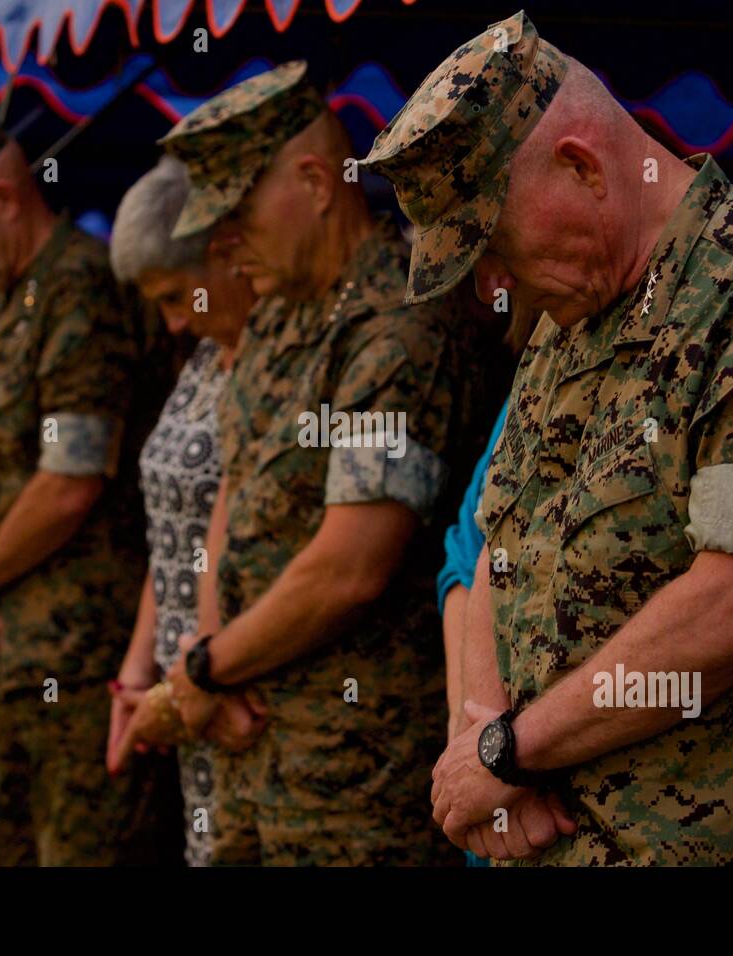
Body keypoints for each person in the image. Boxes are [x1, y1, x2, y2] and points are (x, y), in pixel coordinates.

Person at [361, 11, 733, 865]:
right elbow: (496, 544)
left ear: (581, 167)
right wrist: (484, 748)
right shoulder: (565, 323)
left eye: (494, 248)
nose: (494, 287)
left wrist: (513, 750)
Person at [157, 61, 503, 865]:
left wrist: (208, 672)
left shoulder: (400, 330)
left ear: (315, 184)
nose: (223, 245)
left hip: (354, 775)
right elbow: (235, 490)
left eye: (237, 215)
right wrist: (212, 664)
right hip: (255, 745)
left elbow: (351, 566)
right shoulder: (281, 311)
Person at [0, 103, 182, 866]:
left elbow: (69, 480)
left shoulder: (75, 287)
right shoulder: (9, 296)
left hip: (84, 655)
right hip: (24, 649)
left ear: (6, 198)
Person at [105, 155, 264, 866]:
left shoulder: (274, 363)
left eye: (177, 296)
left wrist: (199, 679)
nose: (171, 323)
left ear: (221, 255)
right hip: (183, 698)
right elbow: (174, 534)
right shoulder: (203, 358)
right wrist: (138, 673)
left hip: (239, 695)